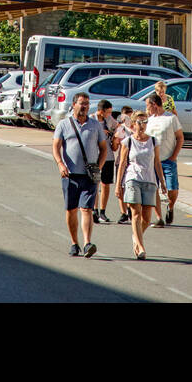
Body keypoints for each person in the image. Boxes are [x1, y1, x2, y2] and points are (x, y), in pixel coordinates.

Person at [52, 92, 107, 258]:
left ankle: (87, 243)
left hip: (90, 176)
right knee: (71, 210)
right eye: (82, 103)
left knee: (87, 209)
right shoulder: (63, 124)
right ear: (74, 104)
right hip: (70, 175)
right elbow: (56, 147)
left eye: (87, 104)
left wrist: (99, 166)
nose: (85, 107)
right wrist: (60, 164)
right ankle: (74, 243)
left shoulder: (95, 125)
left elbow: (104, 148)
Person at [117, 112, 165, 260]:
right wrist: (118, 185)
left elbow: (157, 162)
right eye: (139, 122)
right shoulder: (128, 142)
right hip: (132, 178)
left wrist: (162, 182)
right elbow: (123, 163)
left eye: (144, 122)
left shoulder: (153, 141)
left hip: (149, 180)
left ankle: (135, 238)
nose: (142, 125)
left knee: (147, 218)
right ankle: (141, 246)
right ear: (133, 124)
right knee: (135, 213)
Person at [144, 93, 184, 226]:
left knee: (172, 189)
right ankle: (159, 217)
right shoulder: (149, 120)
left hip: (168, 160)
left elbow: (180, 137)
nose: (146, 109)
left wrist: (174, 156)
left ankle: (170, 206)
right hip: (152, 161)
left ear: (154, 105)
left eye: (147, 105)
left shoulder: (171, 118)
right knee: (153, 188)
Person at [92, 99, 118, 223]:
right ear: (101, 112)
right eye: (108, 112)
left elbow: (117, 126)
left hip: (108, 156)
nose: (110, 115)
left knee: (106, 184)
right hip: (94, 155)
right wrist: (100, 132)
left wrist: (116, 133)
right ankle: (94, 210)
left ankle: (103, 211)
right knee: (95, 183)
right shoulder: (91, 120)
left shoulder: (109, 120)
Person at [113, 106, 135, 223]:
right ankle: (123, 212)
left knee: (130, 186)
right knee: (120, 186)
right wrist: (115, 140)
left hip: (132, 162)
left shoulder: (136, 129)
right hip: (121, 161)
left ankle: (130, 209)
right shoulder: (121, 129)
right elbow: (115, 147)